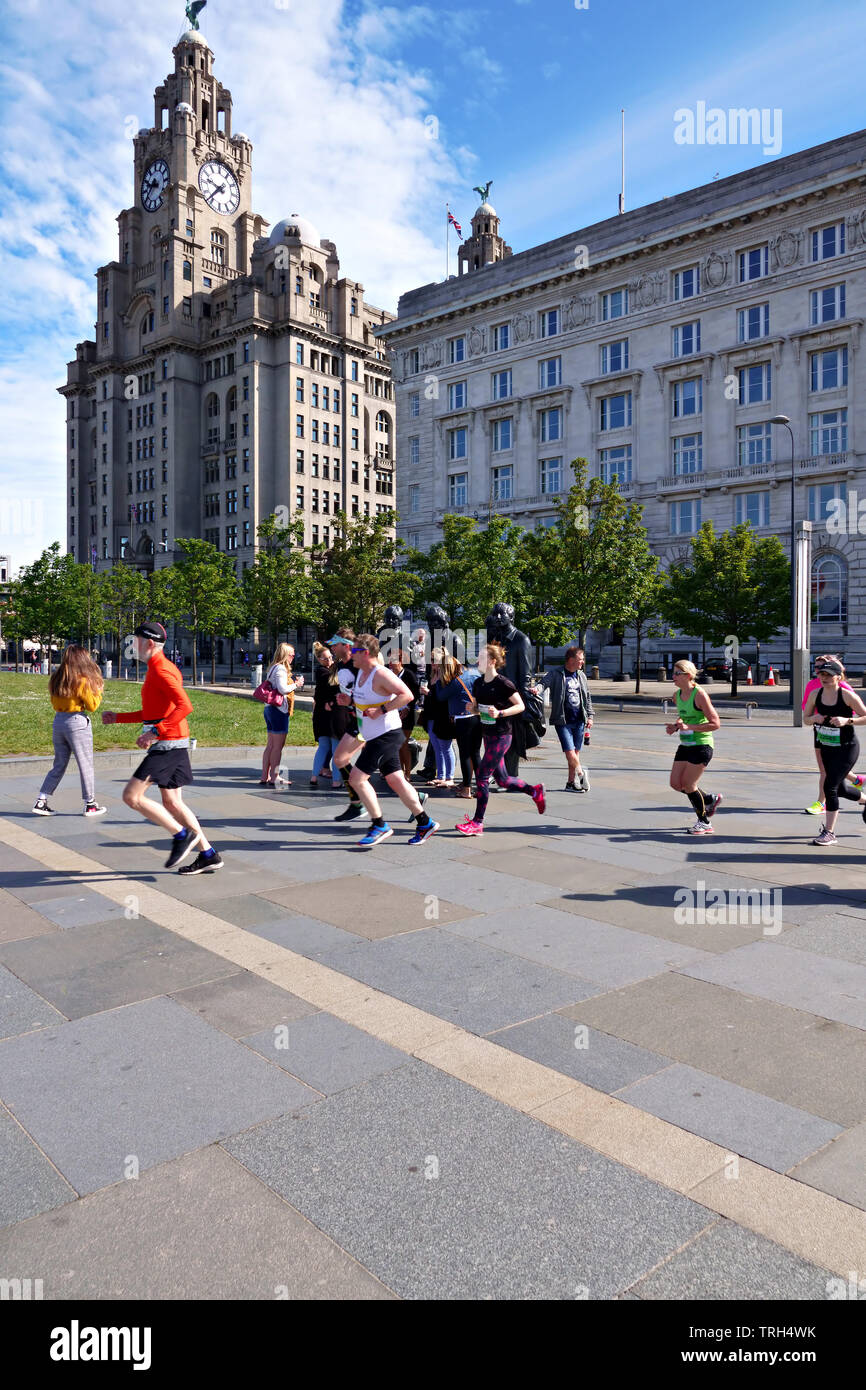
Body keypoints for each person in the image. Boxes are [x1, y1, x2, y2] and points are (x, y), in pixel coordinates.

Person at [101, 619, 222, 875]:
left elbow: (185, 706)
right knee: (173, 802)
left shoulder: (161, 670)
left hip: (167, 744)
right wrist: (119, 718)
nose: (134, 646)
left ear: (150, 643)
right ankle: (208, 854)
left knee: (132, 797)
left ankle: (180, 836)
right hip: (174, 742)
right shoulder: (160, 667)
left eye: (136, 641)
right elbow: (154, 711)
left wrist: (156, 732)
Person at [347, 634, 440, 848]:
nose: (351, 655)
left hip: (386, 736)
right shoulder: (362, 673)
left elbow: (407, 695)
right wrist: (350, 702)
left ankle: (379, 824)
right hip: (375, 736)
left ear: (365, 653)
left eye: (354, 651)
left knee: (356, 779)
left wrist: (381, 710)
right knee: (396, 781)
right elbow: (365, 700)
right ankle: (425, 823)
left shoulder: (381, 674)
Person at [456, 643, 546, 836]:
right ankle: (535, 791)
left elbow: (520, 706)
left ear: (492, 661)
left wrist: (500, 712)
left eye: (481, 657)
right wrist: (472, 709)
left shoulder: (504, 683)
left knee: (481, 776)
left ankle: (477, 822)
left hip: (502, 735)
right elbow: (478, 706)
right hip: (487, 734)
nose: (477, 661)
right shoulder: (479, 683)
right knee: (503, 780)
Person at [33, 644, 107, 818]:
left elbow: (53, 702)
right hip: (77, 722)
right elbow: (92, 706)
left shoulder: (56, 679)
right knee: (85, 764)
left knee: (59, 764)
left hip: (58, 720)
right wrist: (98, 692)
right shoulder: (81, 680)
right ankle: (90, 804)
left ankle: (41, 800)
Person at [803, 656, 866, 846]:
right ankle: (864, 799)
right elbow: (805, 718)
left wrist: (848, 720)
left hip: (847, 748)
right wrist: (815, 718)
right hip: (826, 746)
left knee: (829, 786)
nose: (824, 677)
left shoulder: (847, 695)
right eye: (821, 673)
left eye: (828, 674)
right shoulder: (816, 694)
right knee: (839, 788)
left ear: (838, 677)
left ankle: (829, 832)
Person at [667, 660, 722, 834]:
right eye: (673, 672)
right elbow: (683, 718)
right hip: (686, 744)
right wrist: (676, 726)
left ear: (688, 676)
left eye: (677, 674)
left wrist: (689, 727)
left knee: (689, 784)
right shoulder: (677, 695)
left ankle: (704, 822)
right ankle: (708, 799)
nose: (673, 676)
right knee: (676, 783)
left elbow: (715, 724)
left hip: (702, 745)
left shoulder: (699, 695)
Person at [540, 646, 594, 792]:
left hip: (579, 720)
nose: (582, 662)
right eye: (580, 659)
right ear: (571, 660)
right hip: (562, 720)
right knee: (569, 751)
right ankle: (581, 775)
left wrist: (590, 715)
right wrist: (536, 689)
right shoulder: (557, 673)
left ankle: (570, 783)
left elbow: (587, 697)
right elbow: (543, 683)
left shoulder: (581, 675)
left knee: (575, 753)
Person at [434, 650, 481, 799]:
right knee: (476, 754)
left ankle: (466, 789)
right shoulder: (474, 674)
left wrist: (437, 682)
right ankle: (481, 786)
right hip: (477, 717)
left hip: (463, 720)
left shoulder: (455, 682)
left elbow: (440, 697)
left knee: (465, 755)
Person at [260, 642, 303, 787]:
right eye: (291, 655)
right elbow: (283, 689)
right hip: (278, 710)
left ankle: (264, 775)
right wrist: (296, 685)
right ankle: (275, 777)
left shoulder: (272, 668)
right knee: (278, 746)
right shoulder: (280, 669)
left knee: (270, 745)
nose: (293, 657)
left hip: (269, 709)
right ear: (285, 655)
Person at [425, 649, 458, 787]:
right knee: (436, 746)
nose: (431, 662)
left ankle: (449, 777)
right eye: (431, 659)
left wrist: (429, 692)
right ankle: (441, 775)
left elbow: (443, 698)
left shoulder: (446, 677)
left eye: (434, 660)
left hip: (443, 715)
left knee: (445, 746)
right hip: (432, 715)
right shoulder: (432, 675)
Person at [311, 642, 341, 789]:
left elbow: (317, 697)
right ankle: (336, 780)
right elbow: (334, 686)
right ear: (319, 659)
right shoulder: (324, 673)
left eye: (331, 657)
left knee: (323, 747)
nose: (329, 661)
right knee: (334, 747)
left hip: (321, 716)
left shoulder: (325, 671)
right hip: (330, 717)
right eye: (325, 659)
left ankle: (314, 777)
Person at [388, 648, 421, 778]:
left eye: (393, 660)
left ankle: (407, 773)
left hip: (406, 715)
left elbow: (416, 694)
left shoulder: (408, 674)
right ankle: (398, 772)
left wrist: (407, 707)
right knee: (394, 745)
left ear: (401, 661)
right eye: (389, 659)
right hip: (391, 713)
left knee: (403, 743)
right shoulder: (387, 674)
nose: (390, 662)